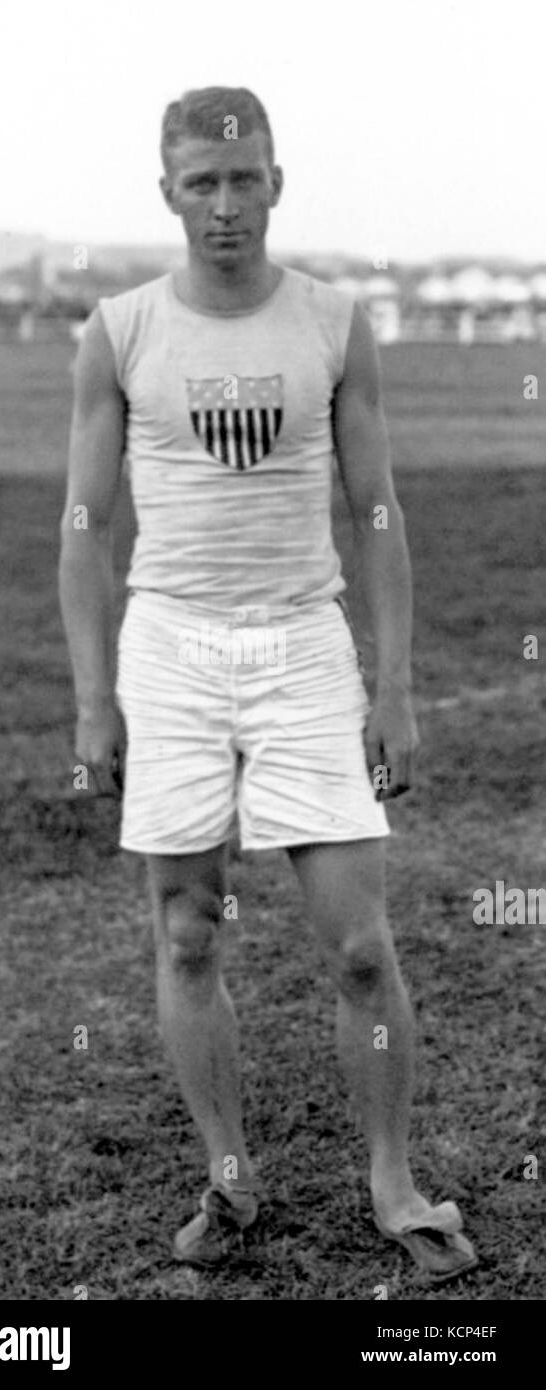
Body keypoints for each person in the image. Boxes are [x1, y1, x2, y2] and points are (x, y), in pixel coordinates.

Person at [58, 86, 477, 1284]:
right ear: (170, 193)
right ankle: (231, 1180)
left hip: (302, 646)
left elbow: (379, 511)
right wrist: (96, 698)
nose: (227, 205)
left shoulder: (335, 323)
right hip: (171, 650)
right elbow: (85, 530)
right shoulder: (121, 329)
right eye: (203, 183)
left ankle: (393, 1182)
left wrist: (393, 686)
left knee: (359, 947)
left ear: (277, 183)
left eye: (246, 181)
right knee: (188, 935)